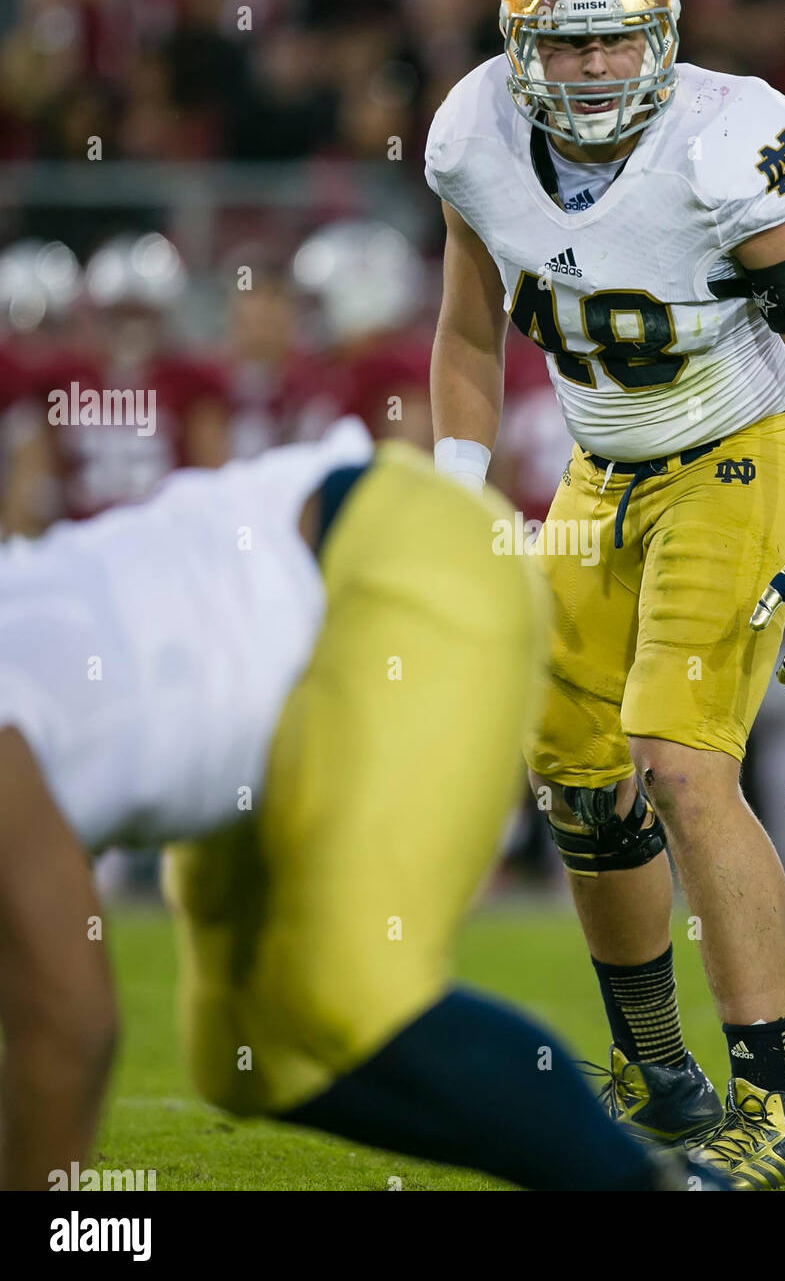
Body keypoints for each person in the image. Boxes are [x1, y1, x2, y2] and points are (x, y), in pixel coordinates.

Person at [427, 0, 785, 1189]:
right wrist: (460, 501)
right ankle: (657, 1069)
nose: (591, 70)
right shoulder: (471, 135)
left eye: (617, 43)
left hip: (735, 452)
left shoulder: (727, 141)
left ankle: (777, 1110)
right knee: (574, 772)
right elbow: (469, 336)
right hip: (596, 465)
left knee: (680, 764)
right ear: (521, 47)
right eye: (565, 47)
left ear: (663, 38)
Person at [0, 419, 707, 1191]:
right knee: (244, 1055)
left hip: (394, 561)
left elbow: (68, 1028)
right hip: (283, 653)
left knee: (346, 988)